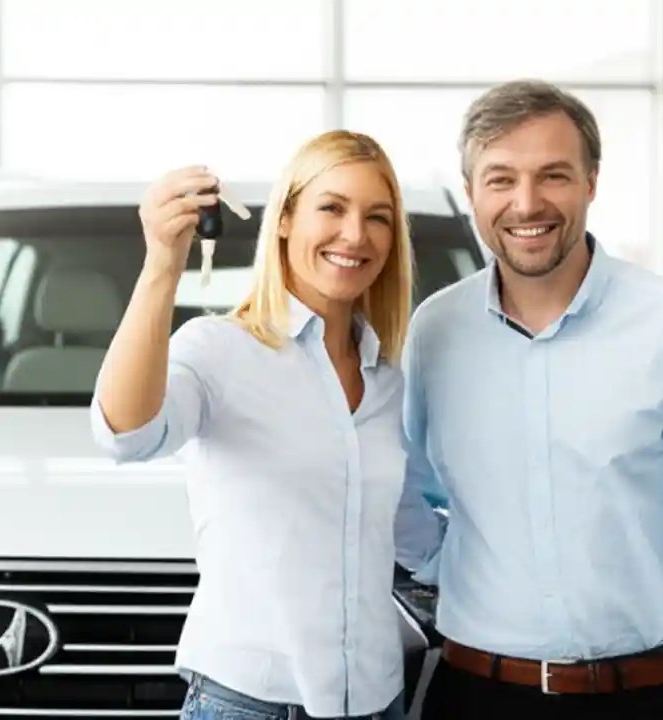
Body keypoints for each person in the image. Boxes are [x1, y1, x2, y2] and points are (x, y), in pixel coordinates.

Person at [398, 79, 663, 719]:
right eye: (500, 180)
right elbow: (401, 487)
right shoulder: (435, 331)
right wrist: (453, 564)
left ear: (591, 182)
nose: (527, 204)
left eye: (553, 175)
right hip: (471, 697)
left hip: (637, 701)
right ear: (470, 191)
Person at [90, 130, 438, 719]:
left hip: (380, 704)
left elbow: (412, 535)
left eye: (377, 217)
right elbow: (127, 433)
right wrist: (161, 267)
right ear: (284, 220)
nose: (355, 235)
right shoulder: (220, 350)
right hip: (249, 706)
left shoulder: (387, 381)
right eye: (331, 208)